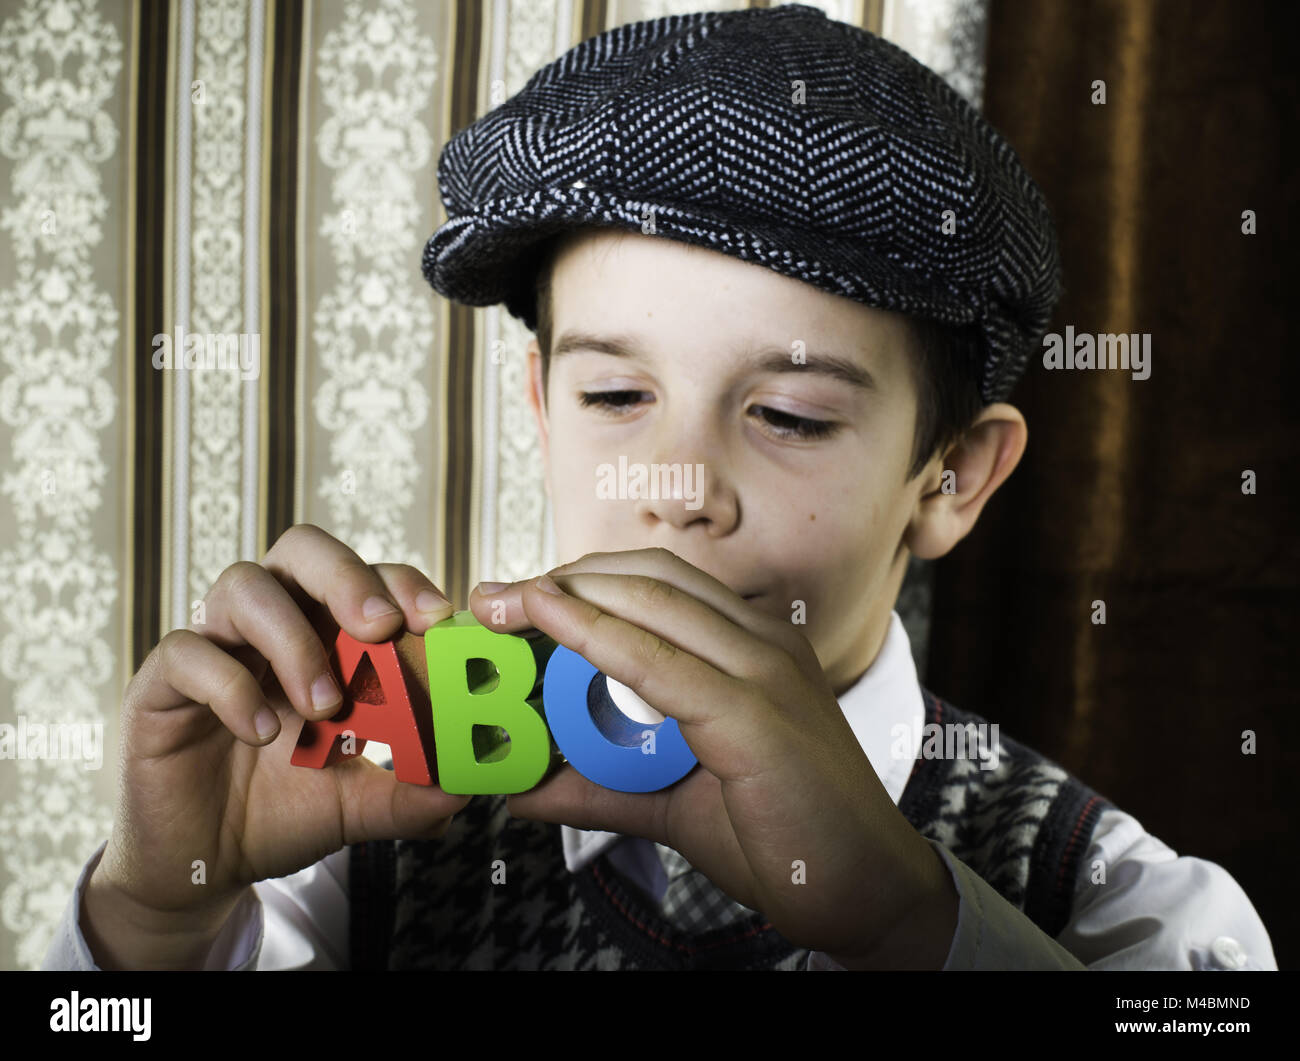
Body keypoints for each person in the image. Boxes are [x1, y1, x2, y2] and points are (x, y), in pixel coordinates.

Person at [44, 3, 1273, 971]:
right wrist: (156, 918)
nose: (675, 486)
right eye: (616, 398)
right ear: (536, 407)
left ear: (950, 477)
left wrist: (913, 929)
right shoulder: (339, 858)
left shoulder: (1121, 901)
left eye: (788, 415)